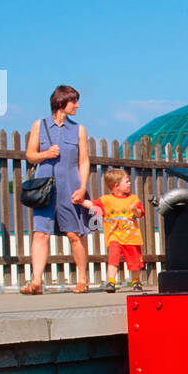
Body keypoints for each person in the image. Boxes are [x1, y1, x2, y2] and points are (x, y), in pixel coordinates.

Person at [22, 85, 91, 294]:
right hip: (45, 188)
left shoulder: (79, 129)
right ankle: (36, 282)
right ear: (62, 103)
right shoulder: (39, 125)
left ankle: (82, 280)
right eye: (74, 101)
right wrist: (46, 154)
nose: (77, 105)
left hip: (70, 185)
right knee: (40, 234)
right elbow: (30, 155)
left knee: (74, 234)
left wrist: (82, 187)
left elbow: (84, 161)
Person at [80, 168, 145, 292]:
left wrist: (134, 210)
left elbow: (140, 214)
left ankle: (136, 282)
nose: (129, 183)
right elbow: (93, 205)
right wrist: (81, 201)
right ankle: (111, 282)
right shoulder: (106, 200)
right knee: (113, 259)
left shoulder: (133, 199)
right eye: (126, 181)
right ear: (117, 186)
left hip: (132, 237)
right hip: (114, 236)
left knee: (134, 261)